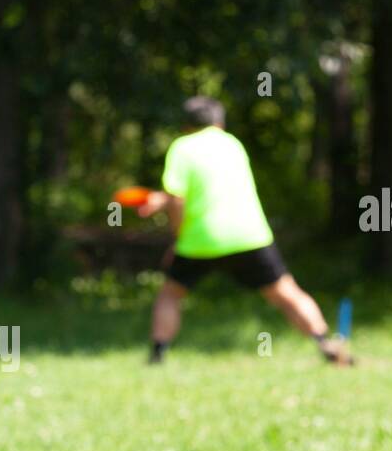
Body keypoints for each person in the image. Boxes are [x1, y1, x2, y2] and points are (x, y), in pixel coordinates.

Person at [138, 96, 351, 365]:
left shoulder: (182, 147)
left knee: (170, 294)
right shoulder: (233, 145)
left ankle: (158, 354)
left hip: (201, 238)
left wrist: (177, 236)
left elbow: (179, 198)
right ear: (219, 121)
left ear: (186, 125)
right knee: (286, 291)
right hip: (248, 235)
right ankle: (325, 342)